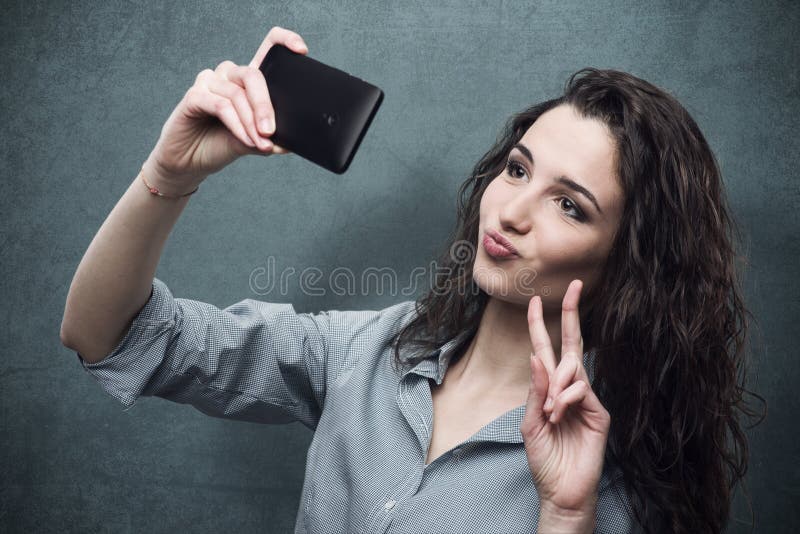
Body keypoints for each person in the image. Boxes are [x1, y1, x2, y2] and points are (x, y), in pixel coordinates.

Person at [60, 26, 766, 534]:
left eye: (569, 206)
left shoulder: (612, 481)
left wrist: (565, 513)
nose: (510, 211)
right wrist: (170, 173)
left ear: (630, 266)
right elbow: (110, 335)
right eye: (517, 169)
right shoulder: (368, 352)